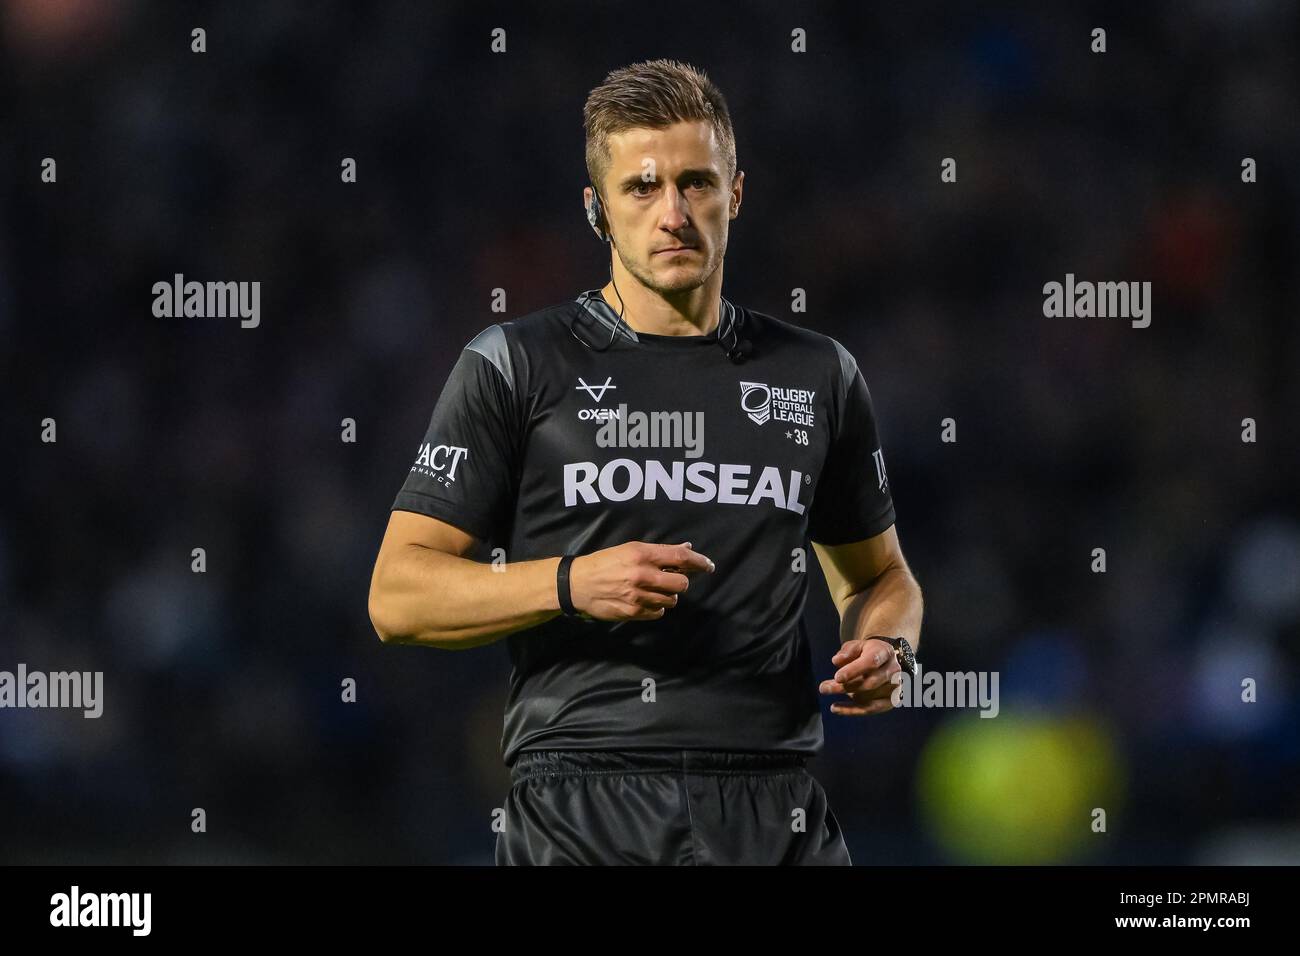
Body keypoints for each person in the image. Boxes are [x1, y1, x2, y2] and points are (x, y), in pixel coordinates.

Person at [368, 58, 924, 865]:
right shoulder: (515, 366)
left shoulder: (817, 373)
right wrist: (570, 581)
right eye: (642, 188)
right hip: (582, 799)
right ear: (597, 210)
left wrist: (889, 648)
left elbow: (880, 578)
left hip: (774, 804)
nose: (674, 214)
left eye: (697, 182)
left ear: (736, 194)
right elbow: (396, 595)